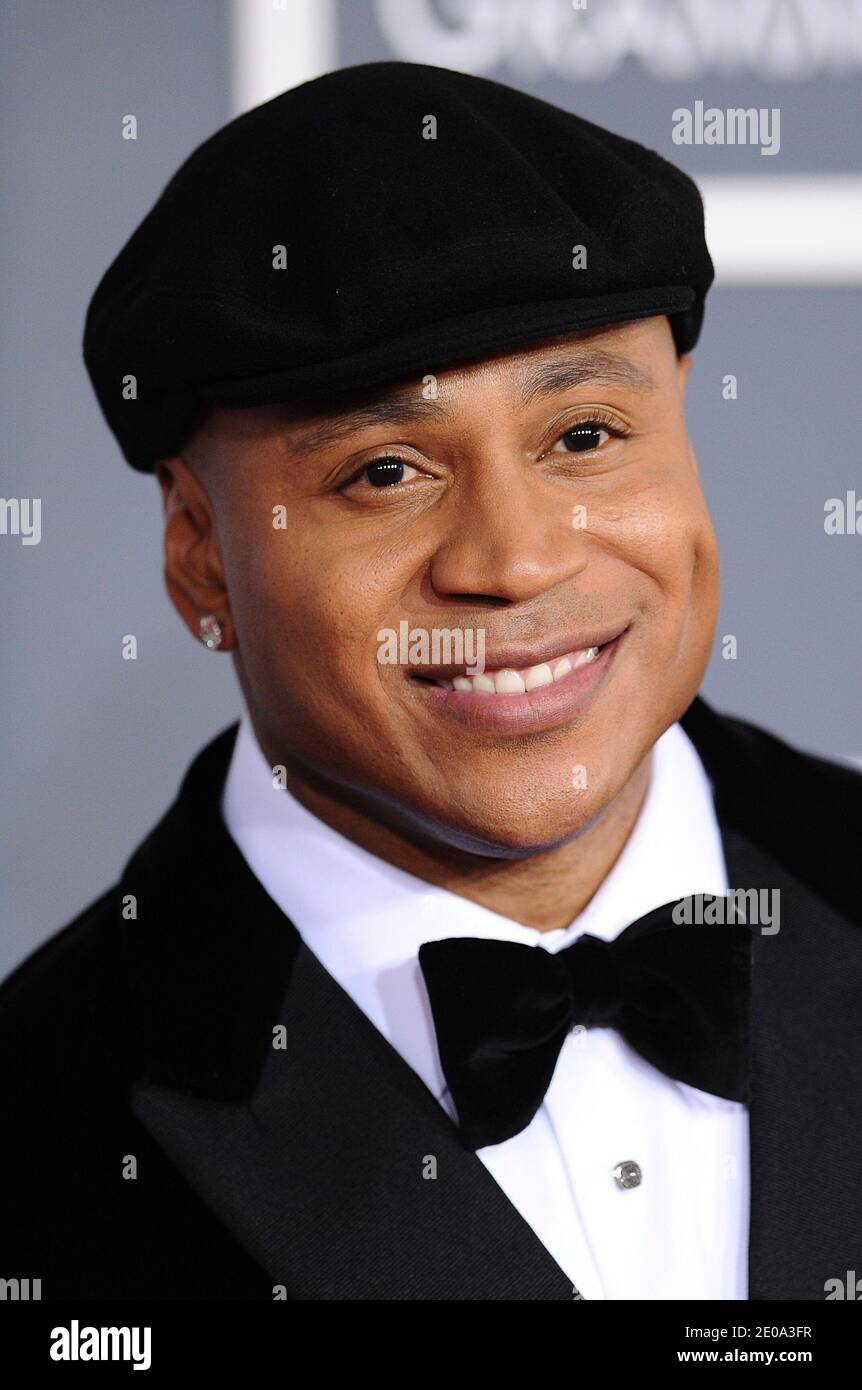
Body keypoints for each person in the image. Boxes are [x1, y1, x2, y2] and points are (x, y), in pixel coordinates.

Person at [2, 61, 860, 1302]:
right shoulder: (39, 1126)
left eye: (582, 438)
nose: (514, 560)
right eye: (386, 471)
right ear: (200, 556)